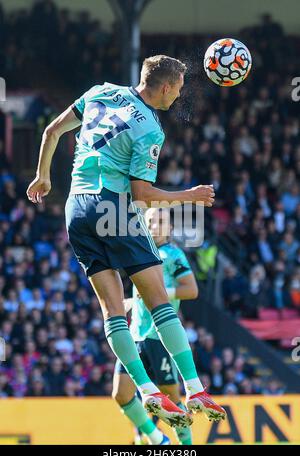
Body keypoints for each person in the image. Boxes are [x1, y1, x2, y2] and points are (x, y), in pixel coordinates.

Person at [27, 54, 225, 426]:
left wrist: (43, 177)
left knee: (112, 311)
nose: (179, 95)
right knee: (159, 302)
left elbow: (51, 132)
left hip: (76, 209)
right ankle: (195, 388)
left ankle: (148, 392)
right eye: (179, 89)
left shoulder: (100, 93)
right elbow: (141, 193)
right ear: (165, 87)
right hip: (112, 208)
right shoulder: (151, 127)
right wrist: (189, 196)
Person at [113, 208, 197, 445]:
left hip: (159, 337)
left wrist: (160, 293)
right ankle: (156, 438)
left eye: (160, 221)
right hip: (134, 335)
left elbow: (191, 290)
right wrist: (131, 301)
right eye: (150, 221)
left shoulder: (173, 255)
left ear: (169, 227)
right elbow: (140, 295)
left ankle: (186, 446)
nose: (154, 225)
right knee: (121, 394)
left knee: (172, 399)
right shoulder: (140, 254)